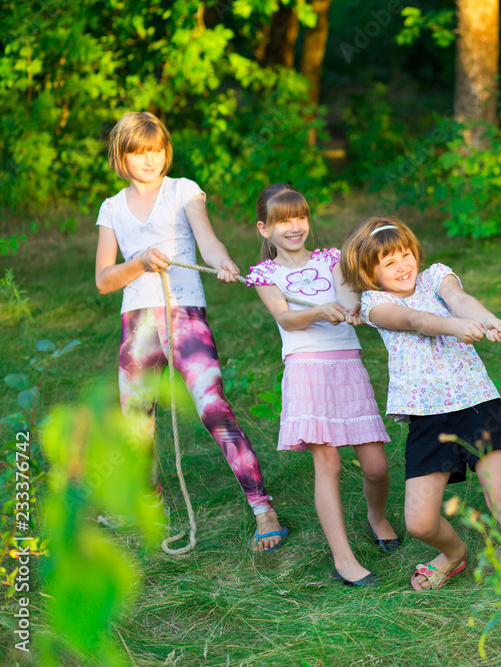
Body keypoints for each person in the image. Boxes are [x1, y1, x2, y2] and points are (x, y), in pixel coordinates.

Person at [94, 111, 287, 552]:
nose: (150, 160)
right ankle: (150, 507)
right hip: (137, 324)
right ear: (120, 157)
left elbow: (208, 239)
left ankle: (262, 507)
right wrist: (138, 262)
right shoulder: (111, 208)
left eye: (157, 150)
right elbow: (104, 280)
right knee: (135, 424)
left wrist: (221, 261)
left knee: (213, 407)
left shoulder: (183, 190)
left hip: (184, 316)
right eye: (139, 153)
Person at [339, 216, 501, 608]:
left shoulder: (436, 276)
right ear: (370, 274)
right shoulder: (375, 304)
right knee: (419, 521)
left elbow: (460, 299)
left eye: (405, 255)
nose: (403, 266)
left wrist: (484, 318)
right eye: (389, 263)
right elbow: (415, 320)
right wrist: (454, 327)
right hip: (427, 416)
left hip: (475, 402)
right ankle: (454, 554)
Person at [246, 185, 399, 586]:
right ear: (264, 229)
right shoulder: (265, 274)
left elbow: (348, 298)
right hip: (306, 370)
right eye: (283, 220)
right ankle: (344, 560)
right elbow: (285, 317)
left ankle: (376, 517)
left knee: (376, 466)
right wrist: (318, 312)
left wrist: (351, 308)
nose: (294, 227)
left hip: (347, 367)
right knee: (328, 464)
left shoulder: (330, 259)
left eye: (300, 217)